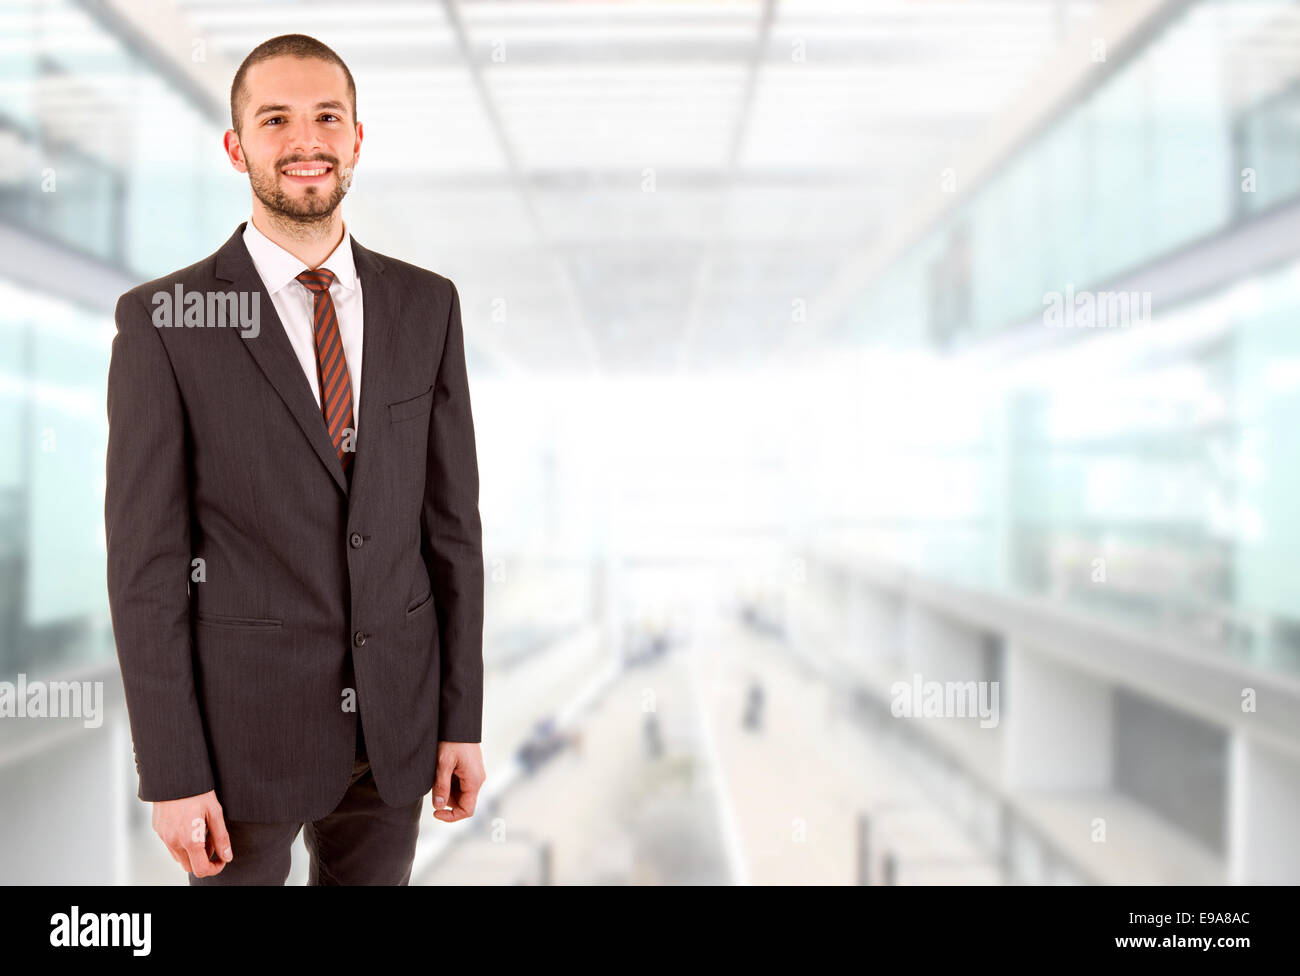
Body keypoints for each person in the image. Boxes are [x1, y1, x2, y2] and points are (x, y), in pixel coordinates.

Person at [104, 34, 486, 885]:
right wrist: (172, 771)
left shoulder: (427, 306)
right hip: (241, 740)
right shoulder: (165, 322)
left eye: (326, 117)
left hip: (396, 727)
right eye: (275, 119)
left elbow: (453, 528)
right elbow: (146, 566)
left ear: (357, 139)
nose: (305, 139)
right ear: (238, 147)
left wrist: (461, 718)